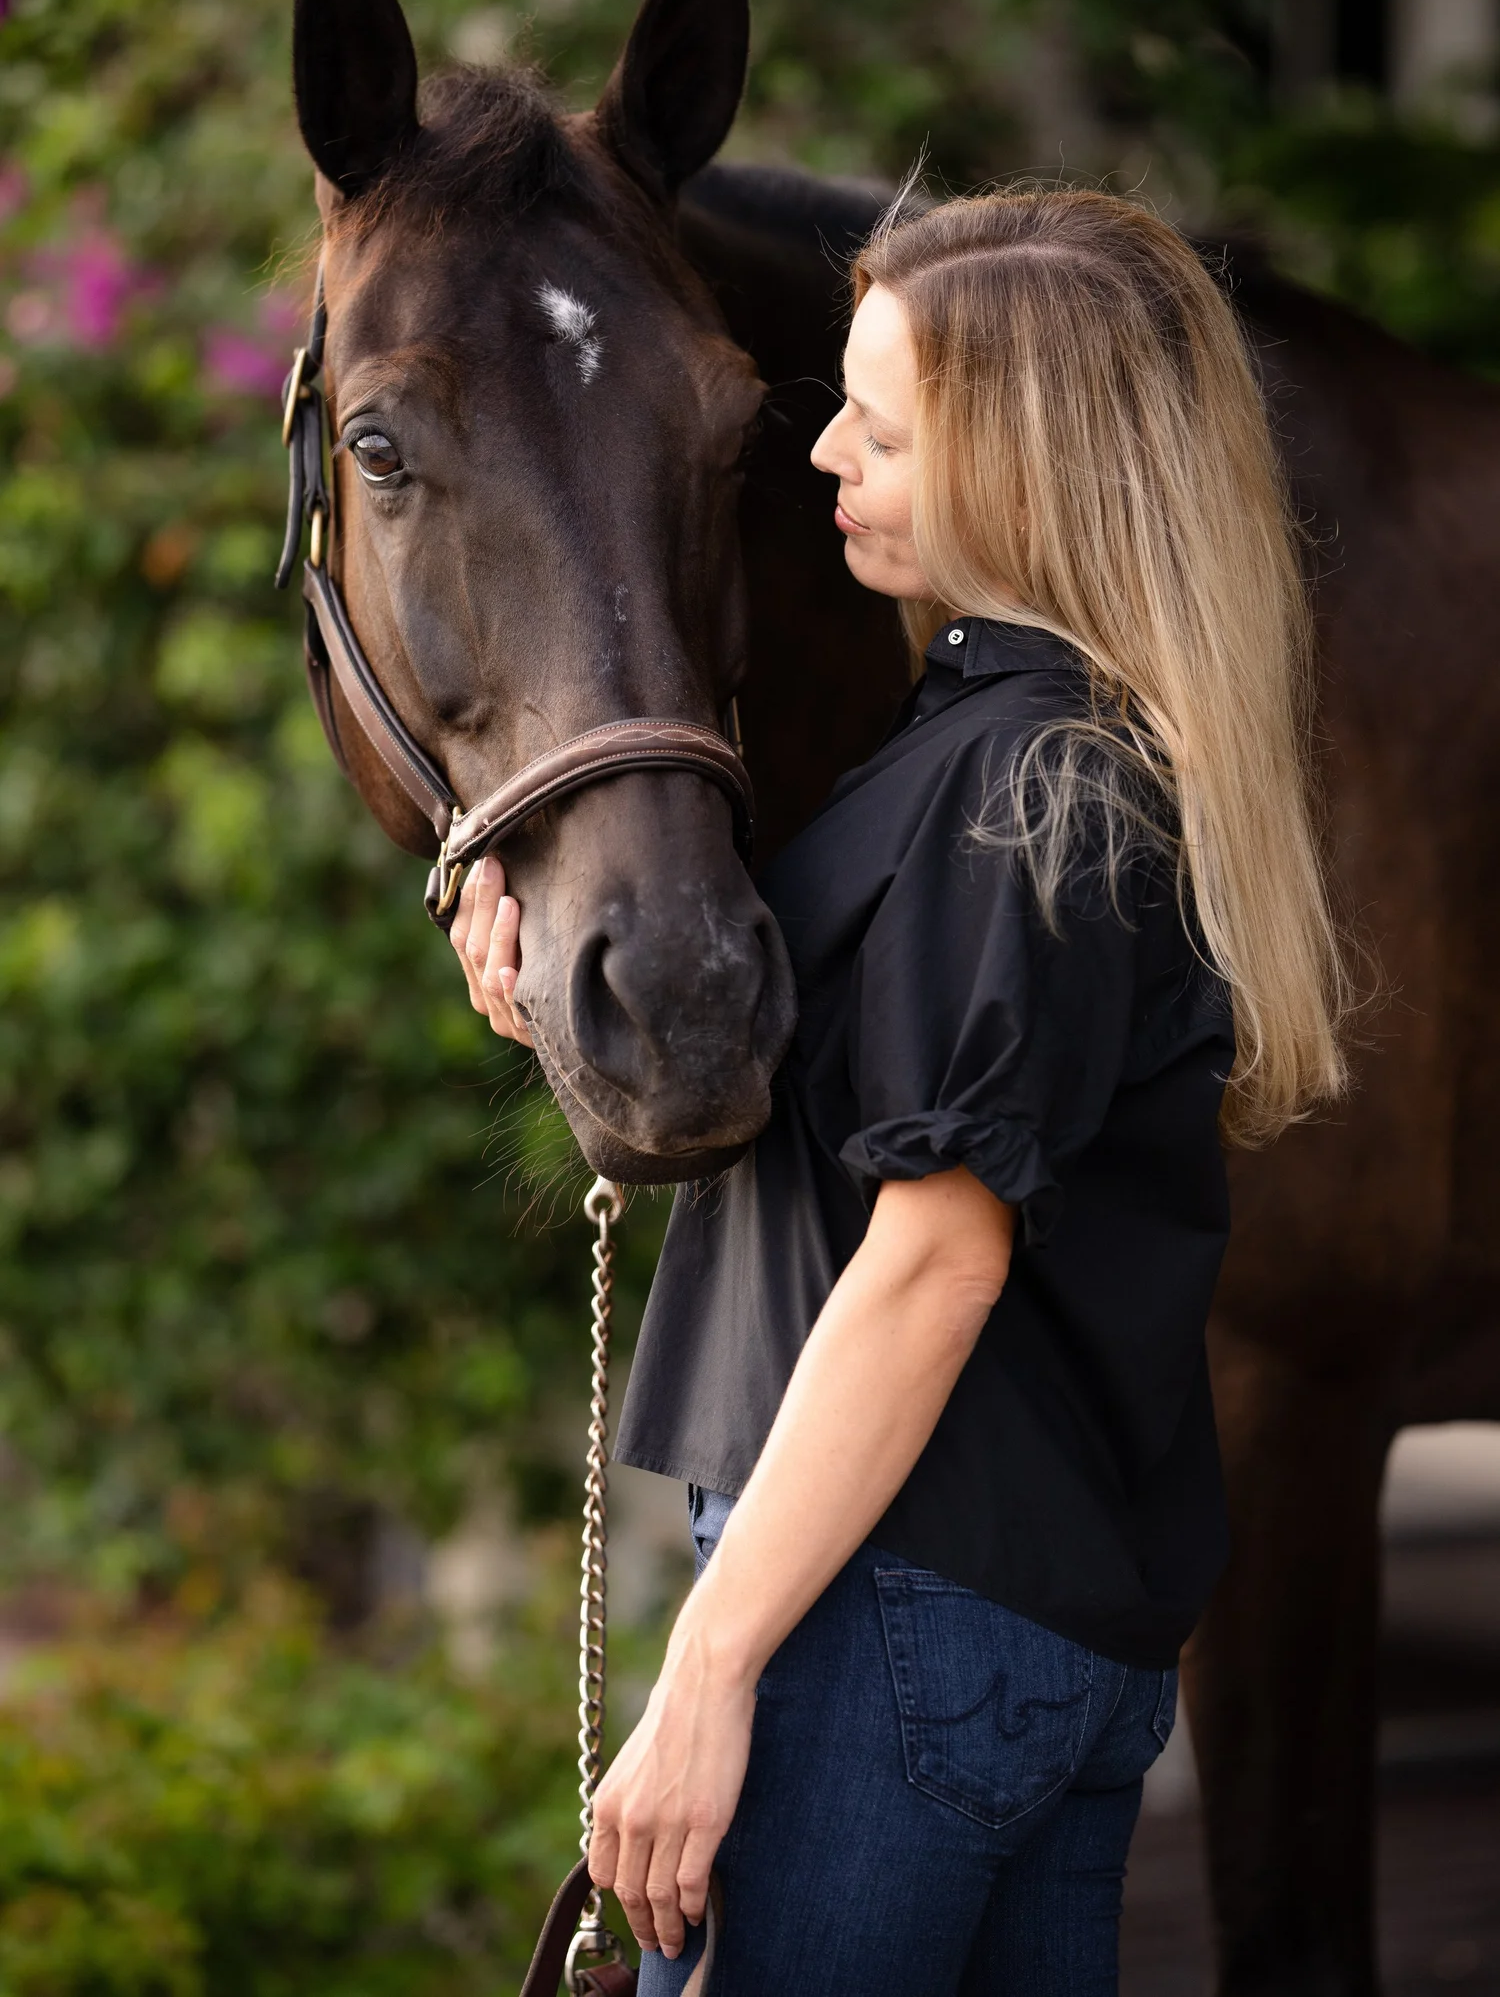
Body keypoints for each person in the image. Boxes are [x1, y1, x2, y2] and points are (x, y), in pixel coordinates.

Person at [449, 188, 1347, 1996]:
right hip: (1022, 1621)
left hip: (899, 1606)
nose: (828, 448)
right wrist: (539, 1001)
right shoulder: (1042, 751)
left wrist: (709, 1666)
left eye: (883, 422)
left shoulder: (1008, 792)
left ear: (1023, 462)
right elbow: (849, 1141)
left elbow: (936, 1260)